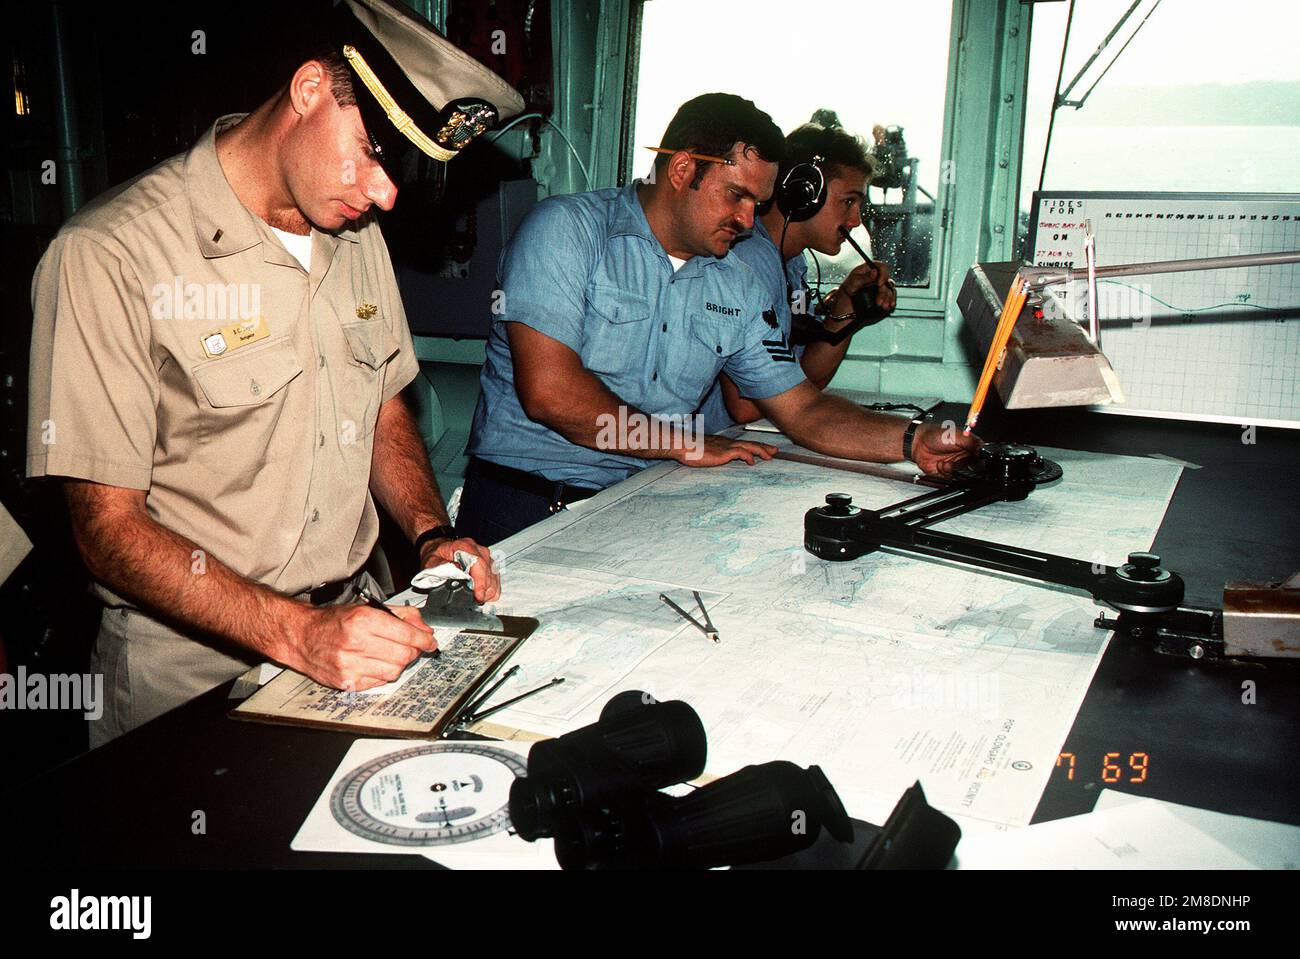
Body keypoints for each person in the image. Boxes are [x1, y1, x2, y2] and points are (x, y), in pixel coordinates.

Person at [26, 0, 523, 746]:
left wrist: (428, 533)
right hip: (189, 678)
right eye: (377, 154)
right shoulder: (110, 255)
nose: (385, 195)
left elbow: (383, 406)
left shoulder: (352, 232)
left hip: (358, 635)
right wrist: (298, 635)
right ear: (309, 89)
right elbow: (107, 531)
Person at [454, 93, 979, 546]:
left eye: (760, 202)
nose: (749, 220)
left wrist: (912, 441)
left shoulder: (737, 280)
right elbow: (551, 394)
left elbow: (803, 410)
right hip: (525, 497)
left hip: (643, 500)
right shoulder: (567, 231)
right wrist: (685, 442)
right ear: (683, 170)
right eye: (737, 195)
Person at [697, 121, 895, 434]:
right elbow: (748, 406)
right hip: (711, 443)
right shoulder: (750, 260)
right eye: (848, 201)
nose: (856, 220)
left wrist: (847, 310)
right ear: (803, 193)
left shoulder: (792, 264)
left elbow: (803, 381)